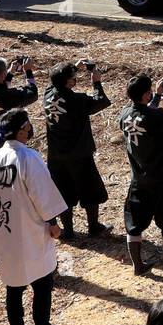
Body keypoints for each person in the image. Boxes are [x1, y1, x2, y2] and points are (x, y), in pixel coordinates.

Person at [0, 108, 68, 325]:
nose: (30, 128)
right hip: (32, 230)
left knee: (13, 285)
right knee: (42, 283)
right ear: (20, 131)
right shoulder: (28, 157)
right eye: (27, 125)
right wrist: (54, 223)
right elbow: (43, 195)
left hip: (5, 230)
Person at [119, 75, 163, 275]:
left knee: (134, 222)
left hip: (139, 178)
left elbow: (144, 114)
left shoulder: (124, 114)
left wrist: (157, 96)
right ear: (145, 94)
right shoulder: (155, 117)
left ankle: (138, 265)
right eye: (149, 91)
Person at [42, 61, 112, 240]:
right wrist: (96, 82)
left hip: (56, 154)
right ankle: (94, 226)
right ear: (68, 82)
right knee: (89, 190)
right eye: (73, 78)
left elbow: (55, 80)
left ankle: (69, 230)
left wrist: (73, 66)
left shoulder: (48, 94)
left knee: (63, 191)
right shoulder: (76, 100)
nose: (75, 80)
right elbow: (100, 102)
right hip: (79, 153)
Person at [0, 56, 39, 177]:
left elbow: (0, 89)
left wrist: (9, 73)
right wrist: (28, 71)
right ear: (3, 75)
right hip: (9, 148)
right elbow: (32, 93)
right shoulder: (9, 96)